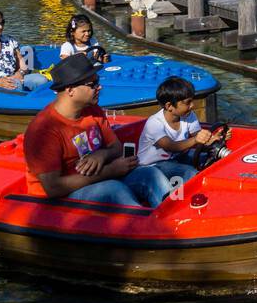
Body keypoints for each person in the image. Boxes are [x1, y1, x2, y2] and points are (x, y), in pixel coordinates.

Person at [22, 54, 164, 206]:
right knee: (114, 190)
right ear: (71, 90)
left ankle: (175, 218)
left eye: (98, 81)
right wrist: (110, 171)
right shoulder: (43, 130)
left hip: (97, 178)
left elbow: (116, 147)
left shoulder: (92, 110)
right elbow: (53, 188)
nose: (99, 87)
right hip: (59, 198)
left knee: (150, 174)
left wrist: (101, 155)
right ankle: (148, 227)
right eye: (93, 84)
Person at [136, 77, 224, 206]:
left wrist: (214, 139)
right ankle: (182, 206)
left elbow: (198, 139)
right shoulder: (154, 123)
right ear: (169, 106)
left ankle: (216, 196)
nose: (192, 105)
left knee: (213, 159)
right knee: (189, 172)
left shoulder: (188, 115)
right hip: (155, 165)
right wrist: (195, 139)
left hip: (178, 158)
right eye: (188, 102)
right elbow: (170, 146)